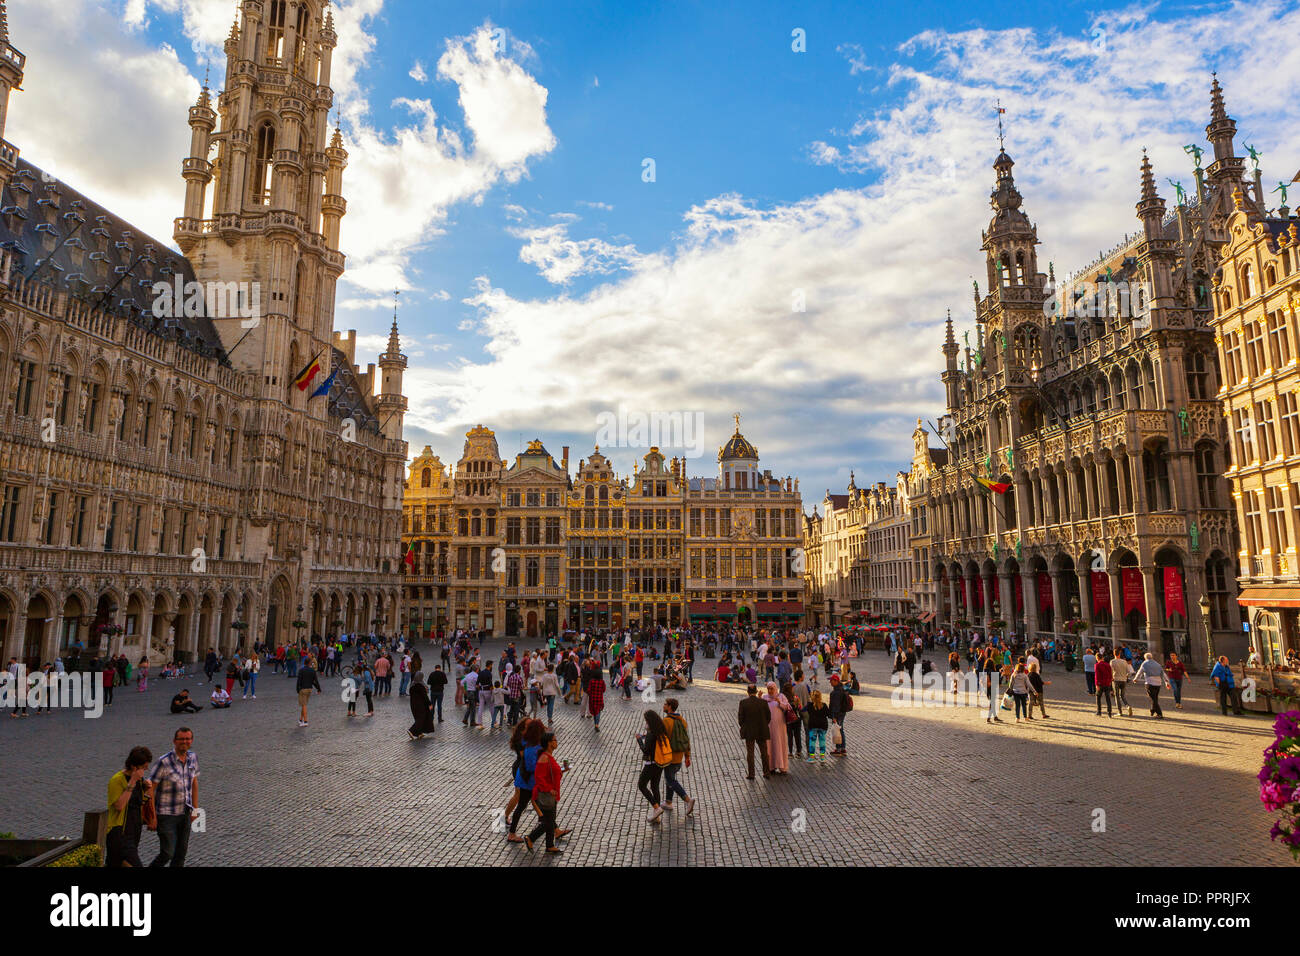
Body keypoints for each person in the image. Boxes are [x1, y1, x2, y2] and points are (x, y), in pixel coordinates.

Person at [149, 727, 199, 868]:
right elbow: (150, 790)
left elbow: (194, 783)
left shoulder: (192, 758)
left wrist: (195, 810)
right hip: (166, 815)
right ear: (174, 741)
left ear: (191, 740)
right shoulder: (163, 762)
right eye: (181, 739)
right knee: (167, 853)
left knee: (180, 854)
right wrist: (152, 816)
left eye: (187, 739)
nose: (185, 742)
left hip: (185, 813)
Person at [106, 746, 154, 867]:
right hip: (120, 833)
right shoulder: (117, 780)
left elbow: (138, 802)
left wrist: (144, 789)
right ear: (134, 766)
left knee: (115, 863)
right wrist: (132, 781)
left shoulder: (139, 779)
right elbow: (119, 806)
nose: (146, 769)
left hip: (134, 831)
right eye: (143, 767)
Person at [524, 732, 565, 854]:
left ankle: (549, 845)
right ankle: (530, 838)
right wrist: (548, 789)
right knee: (548, 822)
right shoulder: (544, 757)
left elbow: (551, 773)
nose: (556, 742)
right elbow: (539, 777)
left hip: (552, 794)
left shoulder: (548, 756)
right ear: (548, 743)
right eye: (554, 740)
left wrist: (562, 771)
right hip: (546, 794)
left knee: (551, 819)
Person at [507, 719, 544, 841]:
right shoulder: (528, 744)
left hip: (527, 779)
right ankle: (511, 829)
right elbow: (530, 765)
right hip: (526, 779)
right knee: (521, 802)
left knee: (530, 804)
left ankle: (551, 829)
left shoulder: (532, 744)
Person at [660, 698, 696, 815]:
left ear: (670, 707)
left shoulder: (666, 722)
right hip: (679, 757)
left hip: (669, 757)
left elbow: (661, 739)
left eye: (665, 704)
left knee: (670, 780)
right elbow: (686, 740)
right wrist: (687, 756)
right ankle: (668, 802)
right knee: (670, 778)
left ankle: (688, 800)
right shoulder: (682, 720)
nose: (663, 706)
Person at [636, 710, 672, 823]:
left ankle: (657, 808)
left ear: (649, 721)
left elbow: (646, 751)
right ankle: (657, 815)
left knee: (641, 785)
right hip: (660, 764)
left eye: (646, 720)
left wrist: (639, 740)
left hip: (651, 764)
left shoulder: (651, 734)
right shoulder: (660, 731)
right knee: (654, 786)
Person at [737, 684, 772, 779]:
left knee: (750, 752)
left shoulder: (743, 703)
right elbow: (768, 717)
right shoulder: (763, 702)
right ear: (756, 692)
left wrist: (745, 726)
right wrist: (763, 724)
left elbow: (740, 718)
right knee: (764, 752)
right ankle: (766, 772)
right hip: (761, 729)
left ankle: (751, 774)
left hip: (749, 730)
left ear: (748, 692)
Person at [764, 681, 793, 774]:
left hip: (780, 726)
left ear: (775, 688)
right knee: (770, 745)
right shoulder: (764, 698)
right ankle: (771, 766)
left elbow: (787, 707)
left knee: (780, 744)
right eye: (768, 689)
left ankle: (782, 766)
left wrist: (779, 702)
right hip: (769, 727)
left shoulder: (781, 696)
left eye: (771, 688)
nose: (770, 691)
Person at [1131, 652, 1168, 718]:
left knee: (1152, 699)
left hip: (1149, 683)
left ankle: (1159, 714)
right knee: (1155, 698)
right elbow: (1163, 674)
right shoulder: (1157, 664)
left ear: (1145, 658)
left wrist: (1136, 679)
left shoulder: (1144, 663)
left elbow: (1140, 672)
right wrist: (1166, 682)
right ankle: (1152, 710)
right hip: (1158, 683)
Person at [408, 671, 435, 739]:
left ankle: (419, 733)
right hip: (421, 705)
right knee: (421, 718)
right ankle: (411, 730)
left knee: (418, 718)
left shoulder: (412, 685)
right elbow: (424, 696)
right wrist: (430, 704)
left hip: (413, 704)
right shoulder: (420, 686)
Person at [296, 655, 321, 727]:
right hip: (309, 689)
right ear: (310, 663)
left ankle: (306, 721)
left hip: (303, 689)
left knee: (303, 705)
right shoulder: (312, 671)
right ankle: (300, 719)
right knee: (304, 704)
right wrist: (318, 689)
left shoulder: (301, 670)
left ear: (304, 663)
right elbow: (315, 681)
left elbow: (299, 681)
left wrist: (298, 689)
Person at [828, 674, 850, 755]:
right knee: (840, 729)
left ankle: (839, 749)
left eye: (831, 681)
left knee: (838, 730)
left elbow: (835, 706)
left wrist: (834, 717)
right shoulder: (841, 689)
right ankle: (842, 748)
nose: (830, 682)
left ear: (836, 681)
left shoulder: (836, 692)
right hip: (842, 713)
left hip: (838, 714)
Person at [805, 690, 830, 761]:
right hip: (823, 725)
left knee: (812, 741)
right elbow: (829, 715)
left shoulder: (809, 705)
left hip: (813, 725)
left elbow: (803, 710)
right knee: (822, 741)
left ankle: (812, 757)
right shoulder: (824, 705)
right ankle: (822, 757)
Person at [1110, 651, 1132, 716]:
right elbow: (1129, 671)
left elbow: (1110, 671)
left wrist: (1111, 678)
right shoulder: (1124, 661)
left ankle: (1120, 711)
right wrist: (1126, 676)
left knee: (1116, 696)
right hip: (1123, 680)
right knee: (1122, 695)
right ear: (1119, 654)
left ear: (1114, 654)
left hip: (1116, 679)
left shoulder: (1112, 661)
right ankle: (1128, 706)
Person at [587, 667, 606, 733]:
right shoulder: (602, 682)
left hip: (593, 699)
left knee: (595, 712)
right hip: (599, 699)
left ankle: (596, 724)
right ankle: (597, 725)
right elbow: (604, 690)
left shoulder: (591, 681)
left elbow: (589, 690)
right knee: (598, 712)